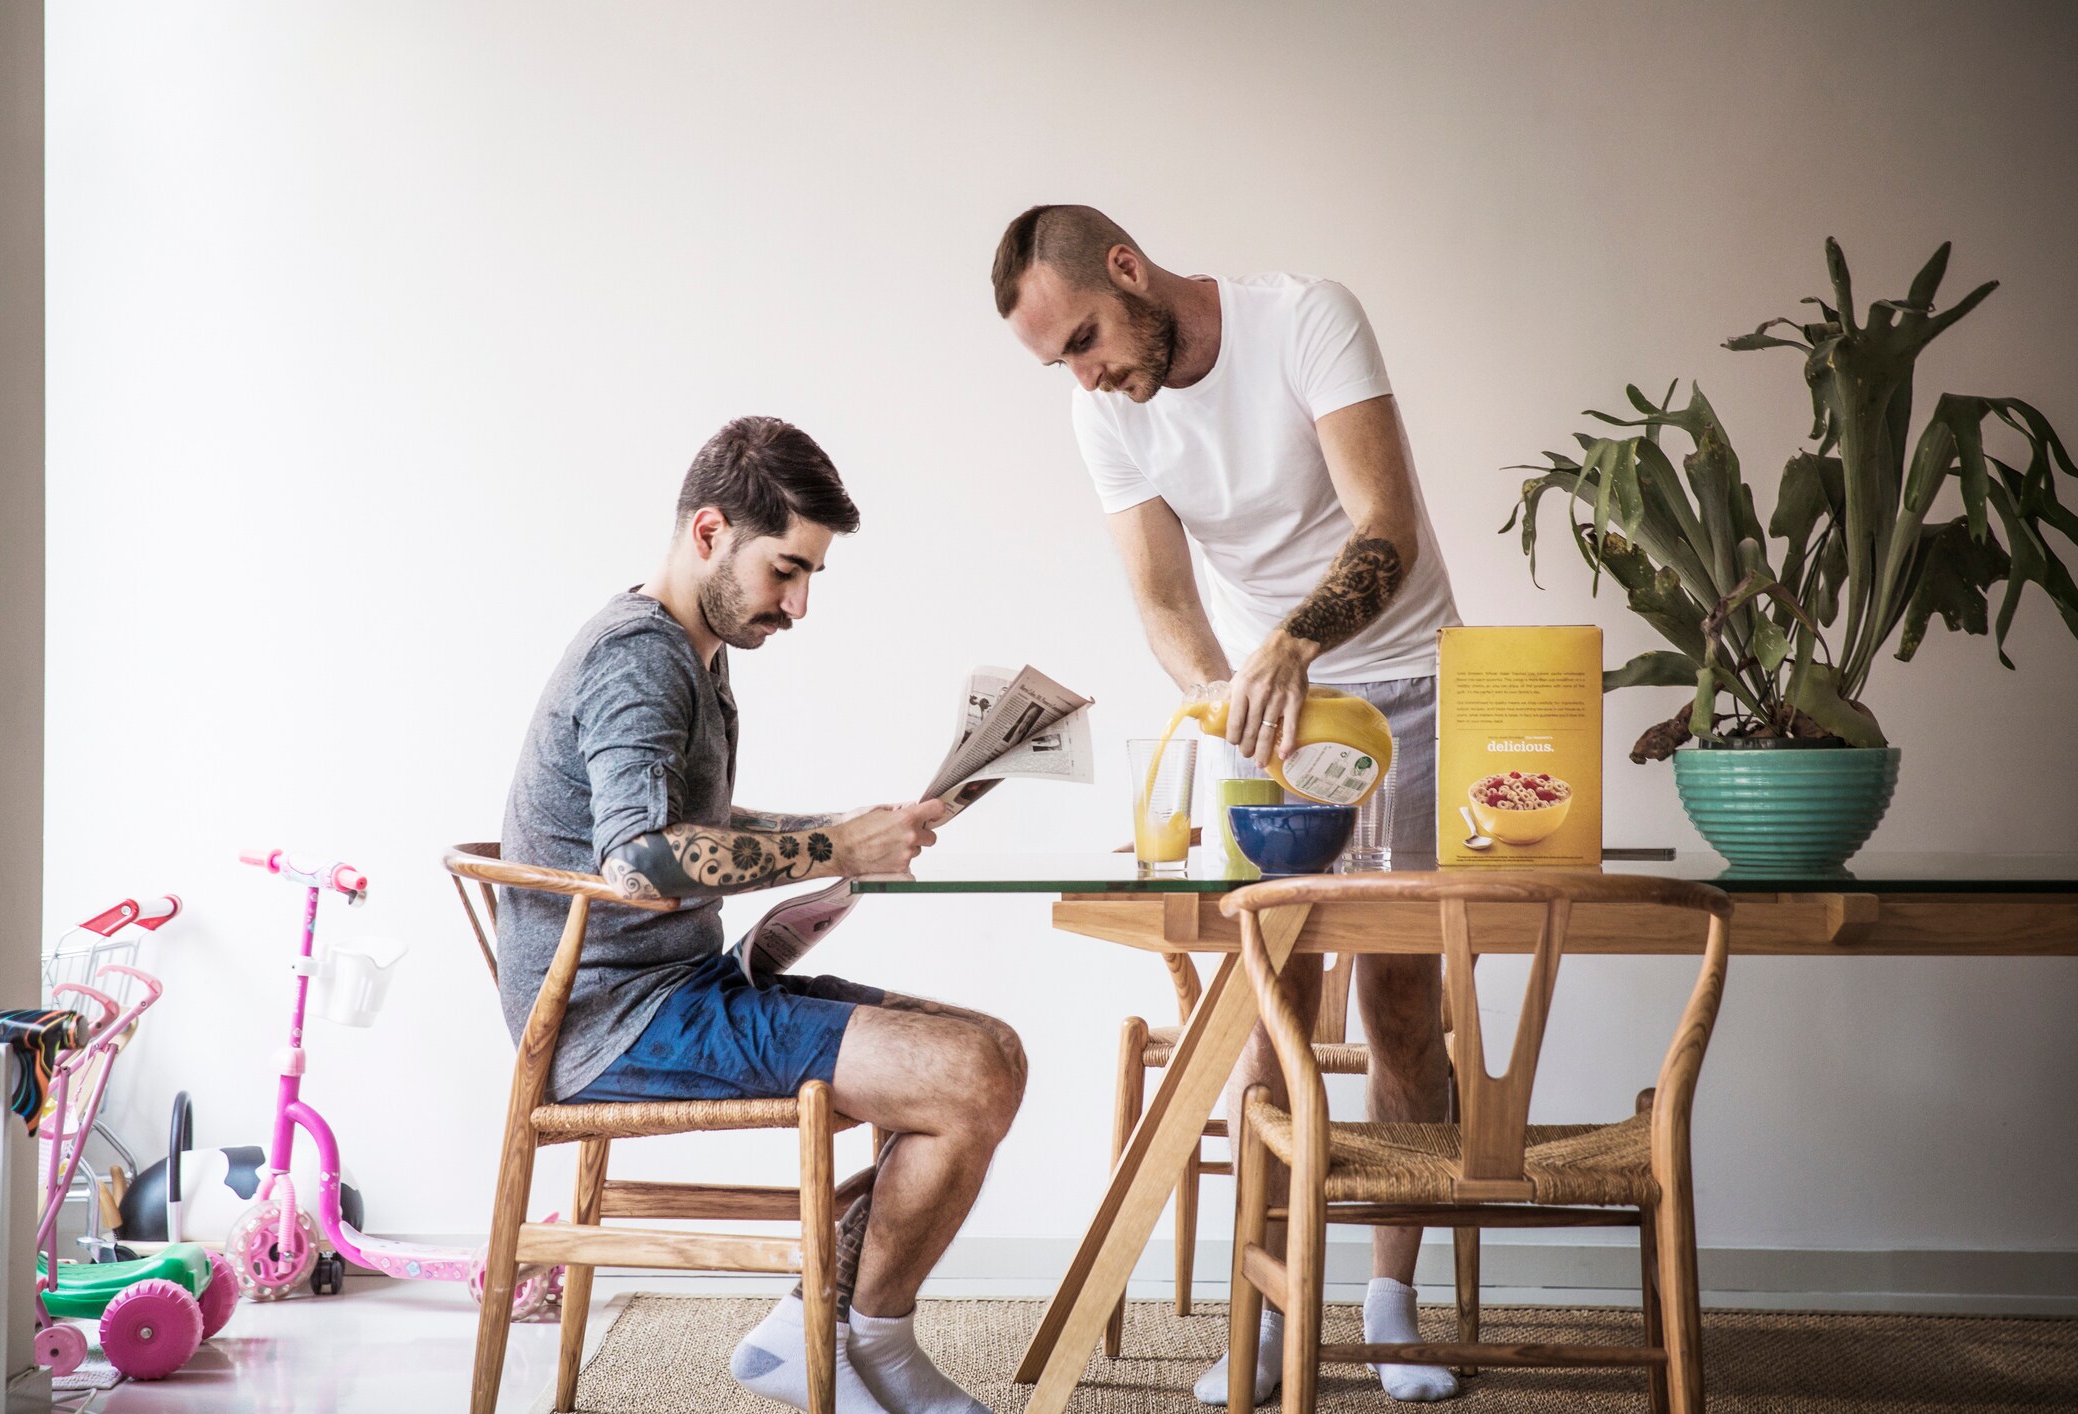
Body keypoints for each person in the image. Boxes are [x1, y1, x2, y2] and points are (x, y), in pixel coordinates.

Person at [994, 206, 1463, 1404]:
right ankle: (1262, 1315)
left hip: (1406, 683)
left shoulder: (1305, 317)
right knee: (1267, 1011)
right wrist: (1218, 697)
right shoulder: (1104, 410)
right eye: (1065, 362)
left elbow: (1387, 529)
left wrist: (1295, 645)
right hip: (1273, 712)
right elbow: (1161, 597)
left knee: (1403, 1002)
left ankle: (1391, 1305)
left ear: (1128, 269)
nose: (1090, 374)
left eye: (1089, 339)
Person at [498, 416, 1022, 1414]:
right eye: (787, 570)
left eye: (811, 575)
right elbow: (643, 860)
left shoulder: (695, 654)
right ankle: (852, 1335)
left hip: (682, 992)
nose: (801, 603)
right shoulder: (638, 659)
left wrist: (851, 826)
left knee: (991, 1048)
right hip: (620, 1024)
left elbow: (694, 825)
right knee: (970, 1074)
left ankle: (819, 1328)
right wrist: (835, 849)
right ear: (708, 533)